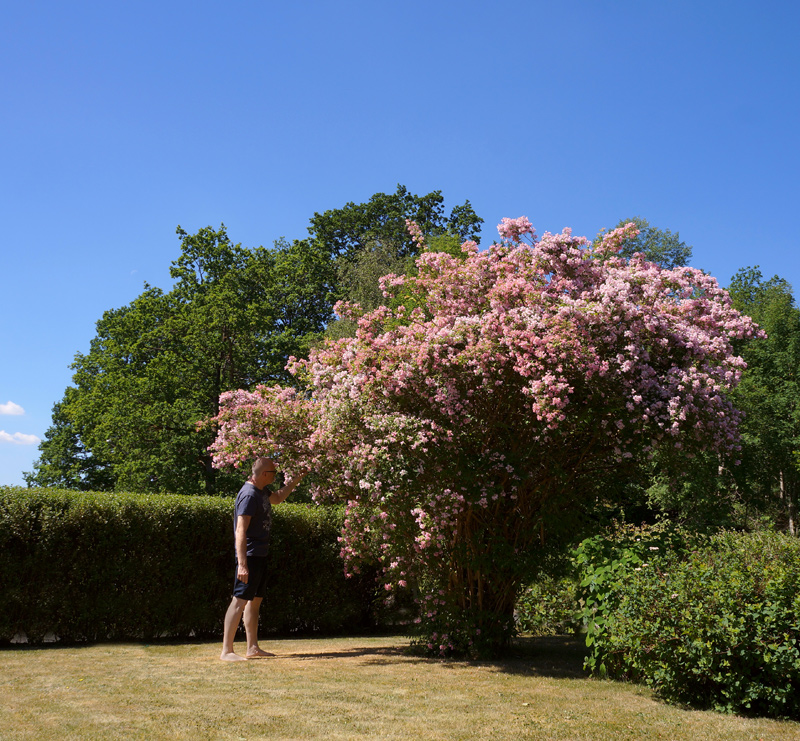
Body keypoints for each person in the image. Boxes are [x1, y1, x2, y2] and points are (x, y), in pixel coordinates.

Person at [220, 457, 307, 661]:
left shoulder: (261, 491)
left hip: (260, 554)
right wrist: (242, 564)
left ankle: (253, 648)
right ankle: (227, 651)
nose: (275, 476)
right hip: (250, 556)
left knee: (254, 602)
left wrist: (295, 479)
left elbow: (277, 498)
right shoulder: (249, 494)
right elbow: (240, 531)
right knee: (239, 600)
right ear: (264, 474)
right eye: (273, 473)